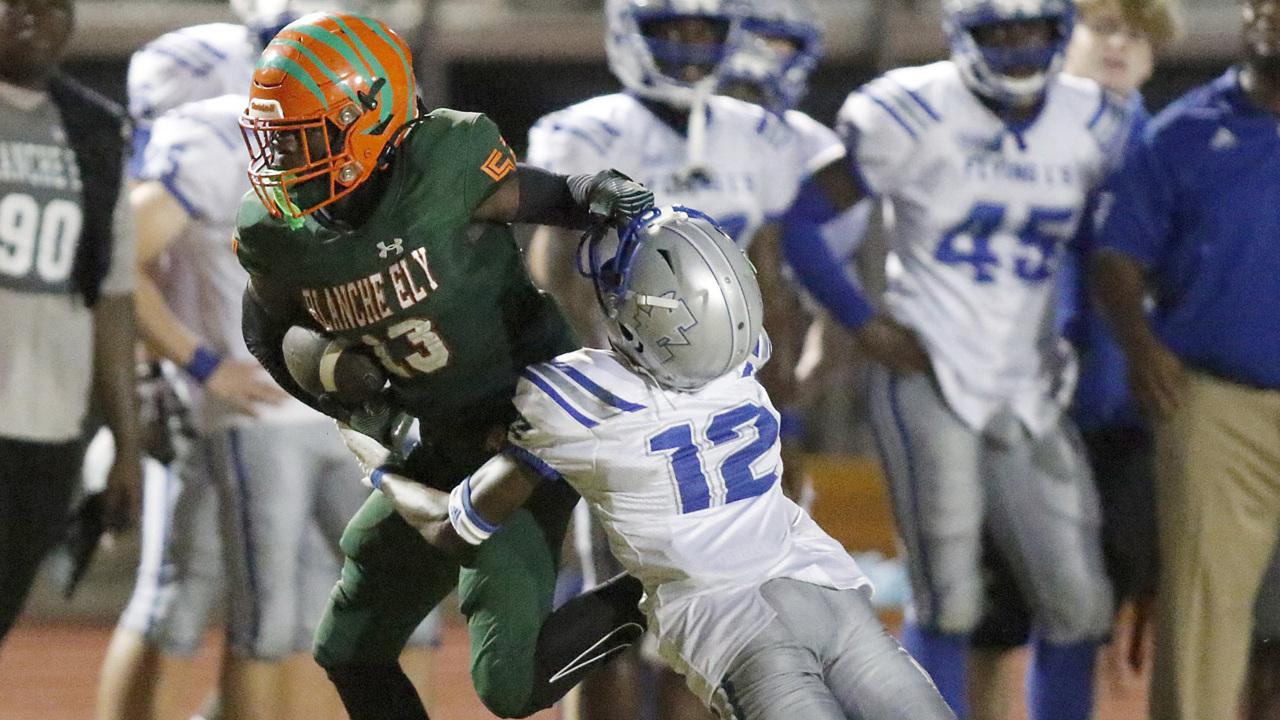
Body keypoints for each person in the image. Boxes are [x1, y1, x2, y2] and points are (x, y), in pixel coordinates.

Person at [349, 206, 958, 720]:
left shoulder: (579, 400)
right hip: (826, 588)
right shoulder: (746, 360)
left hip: (733, 625)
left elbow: (457, 528)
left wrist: (385, 470)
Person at [233, 11, 656, 720]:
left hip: (529, 431)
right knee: (349, 648)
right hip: (438, 441)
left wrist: (604, 198)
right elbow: (270, 339)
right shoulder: (276, 236)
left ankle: (656, 596)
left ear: (369, 118)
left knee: (509, 685)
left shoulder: (447, 163)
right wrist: (340, 387)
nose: (281, 162)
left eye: (301, 139)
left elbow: (556, 196)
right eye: (273, 140)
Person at [776, 0, 1129, 717]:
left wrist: (1090, 340)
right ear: (964, 36)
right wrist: (863, 324)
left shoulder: (1096, 117)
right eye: (1001, 32)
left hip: (1031, 381)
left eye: (1033, 30)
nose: (1019, 48)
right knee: (950, 596)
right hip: (929, 370)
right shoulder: (913, 109)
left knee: (1080, 601)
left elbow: (1104, 247)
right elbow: (804, 222)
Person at [524, 1, 834, 715]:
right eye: (672, 29)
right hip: (626, 402)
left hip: (729, 405)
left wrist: (779, 387)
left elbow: (765, 265)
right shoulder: (587, 132)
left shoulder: (754, 135)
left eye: (704, 31)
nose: (689, 47)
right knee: (616, 609)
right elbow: (553, 282)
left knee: (718, 618)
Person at [961, 1, 1183, 717]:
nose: (1121, 45)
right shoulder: (1000, 129)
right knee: (993, 615)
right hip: (1010, 409)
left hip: (1122, 415)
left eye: (1138, 34)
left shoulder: (1171, 147)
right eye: (1106, 27)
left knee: (1091, 612)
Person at [1091, 0, 1280, 717]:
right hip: (1217, 403)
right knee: (1204, 614)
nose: (1271, 17)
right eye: (1261, 4)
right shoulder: (1184, 133)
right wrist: (1140, 348)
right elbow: (1116, 255)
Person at [0, 0, 142, 648]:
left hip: (45, 428)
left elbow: (110, 298)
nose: (34, 14)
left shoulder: (96, 129)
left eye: (52, 2)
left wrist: (125, 446)